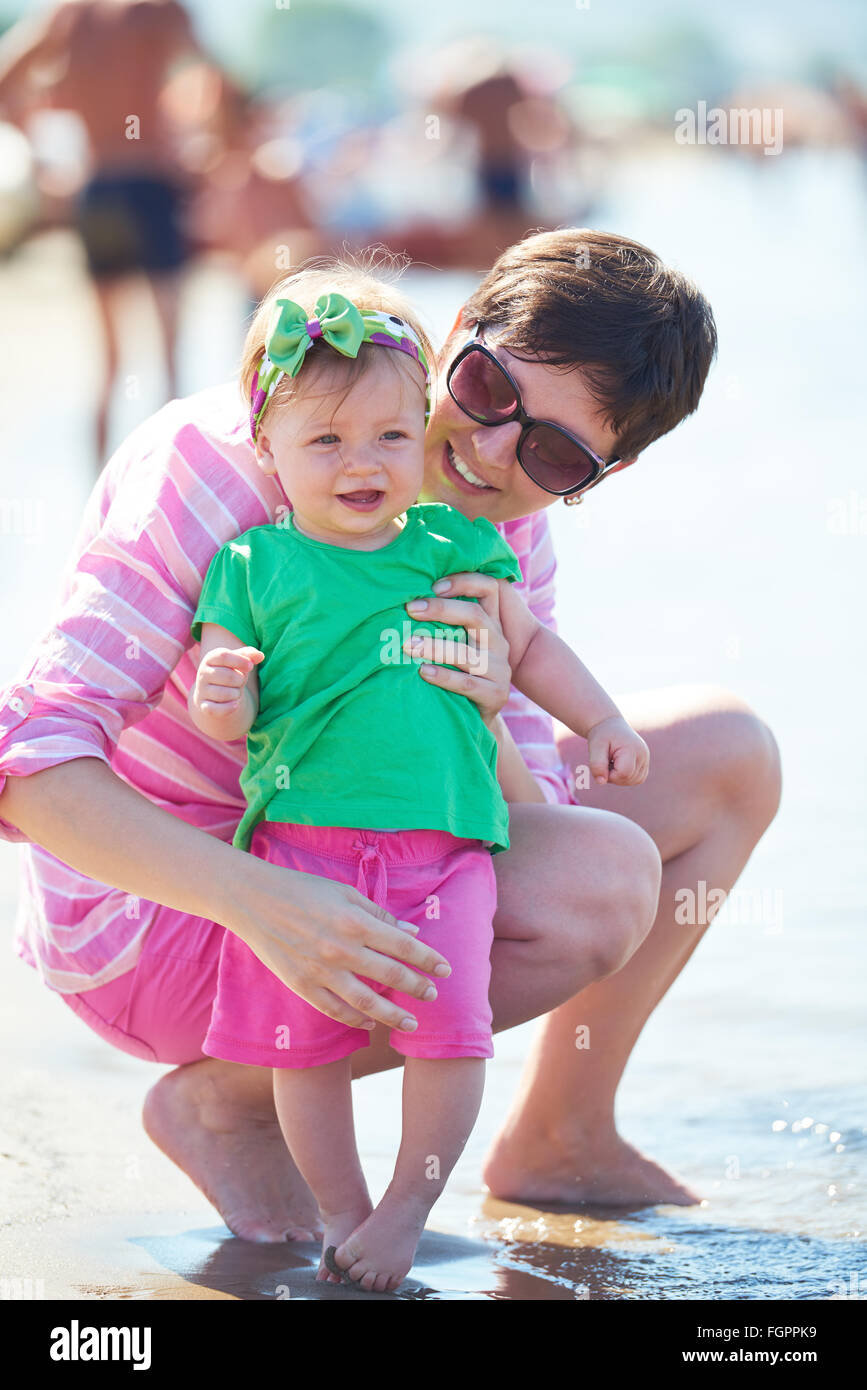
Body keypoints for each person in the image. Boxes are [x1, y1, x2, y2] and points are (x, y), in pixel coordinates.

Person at [0, 230, 781, 1247]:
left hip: (360, 853)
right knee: (605, 874)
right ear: (457, 334)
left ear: (608, 471)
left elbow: (531, 846)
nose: (490, 452)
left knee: (727, 758)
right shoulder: (220, 469)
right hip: (155, 911)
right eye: (489, 389)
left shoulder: (500, 535)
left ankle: (562, 1132)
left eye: (552, 451)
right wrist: (267, 901)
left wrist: (488, 712)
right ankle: (230, 1098)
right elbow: (29, 767)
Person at [187, 268, 651, 1290]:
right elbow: (221, 707)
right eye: (327, 443)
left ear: (419, 426)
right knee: (302, 1050)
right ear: (268, 449)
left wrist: (603, 717)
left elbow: (530, 651)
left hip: (443, 849)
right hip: (301, 853)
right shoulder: (255, 566)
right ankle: (345, 1213)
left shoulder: (457, 543)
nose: (364, 464)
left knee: (450, 1032)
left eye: (392, 438)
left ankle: (407, 1205)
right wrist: (221, 692)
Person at [0, 0, 207, 460]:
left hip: (97, 188)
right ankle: (175, 487)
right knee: (171, 358)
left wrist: (40, 161)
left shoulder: (69, 14)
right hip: (150, 183)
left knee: (109, 364)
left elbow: (7, 76)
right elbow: (208, 77)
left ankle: (96, 499)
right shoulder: (160, 10)